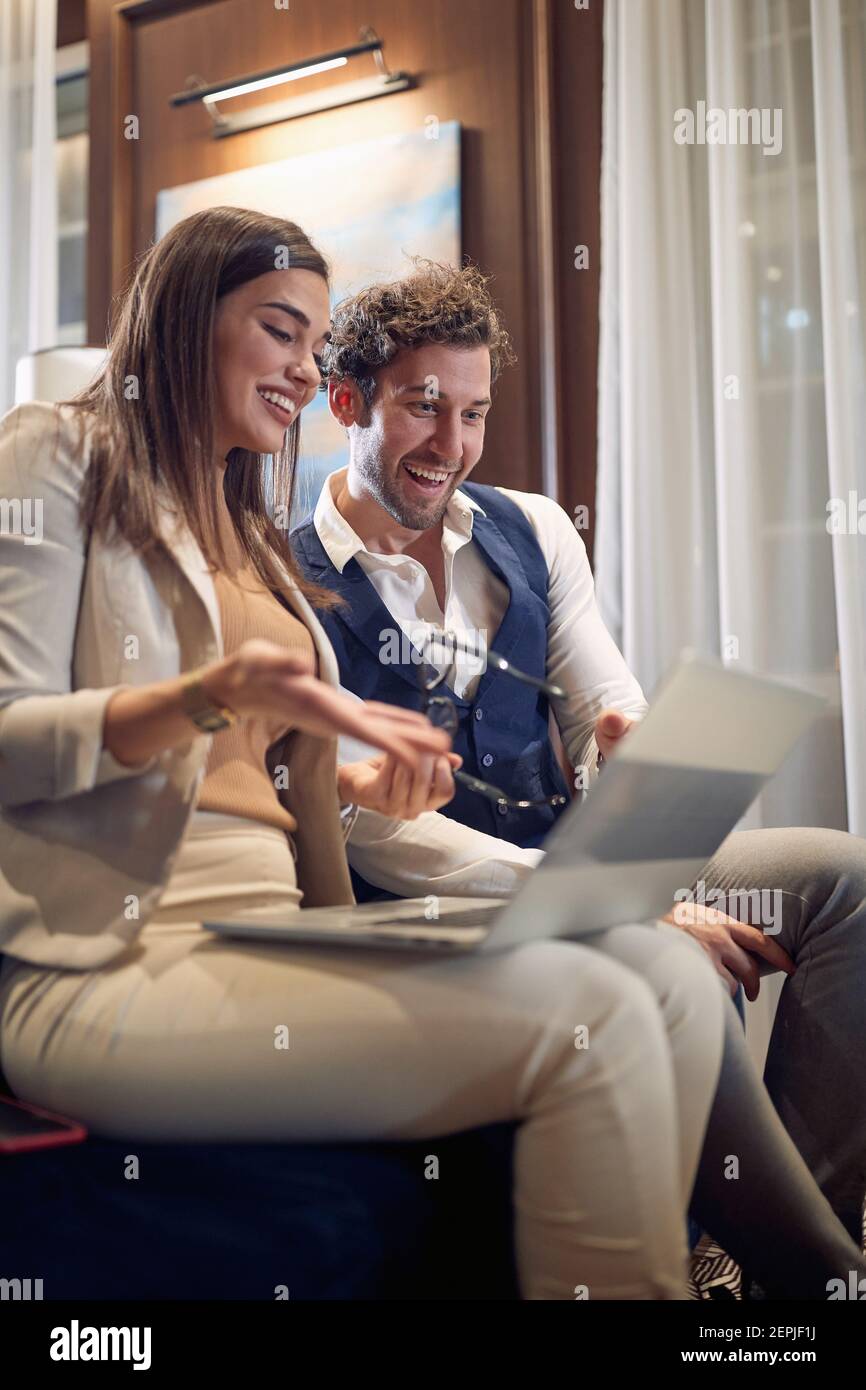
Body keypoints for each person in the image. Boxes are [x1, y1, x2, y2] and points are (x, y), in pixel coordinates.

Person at [0, 209, 861, 1301]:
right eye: (282, 333)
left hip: (269, 927)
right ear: (185, 315)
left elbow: (275, 777)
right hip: (113, 954)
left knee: (663, 976)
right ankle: (819, 1282)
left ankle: (768, 1286)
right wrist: (200, 697)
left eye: (314, 345)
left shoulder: (247, 531)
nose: (306, 372)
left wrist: (350, 779)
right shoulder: (57, 450)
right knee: (597, 1008)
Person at [291, 258, 866, 1251]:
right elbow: (378, 832)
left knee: (840, 879)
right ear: (345, 399)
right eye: (424, 408)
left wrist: (622, 762)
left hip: (575, 866)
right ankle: (816, 1270)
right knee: (661, 952)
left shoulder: (535, 530)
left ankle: (741, 1255)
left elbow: (602, 707)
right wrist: (617, 900)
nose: (453, 444)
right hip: (432, 916)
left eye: (472, 413)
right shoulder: (287, 583)